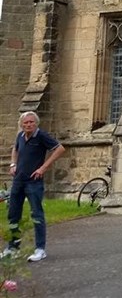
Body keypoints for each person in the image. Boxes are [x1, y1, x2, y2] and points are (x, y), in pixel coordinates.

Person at [3, 111, 65, 262]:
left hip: (33, 182)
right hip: (18, 181)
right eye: (26, 122)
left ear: (36, 123)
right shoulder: (20, 136)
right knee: (13, 215)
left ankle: (40, 249)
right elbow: (15, 149)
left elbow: (60, 149)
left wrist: (43, 168)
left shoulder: (41, 136)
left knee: (37, 215)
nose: (29, 124)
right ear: (21, 124)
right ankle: (13, 248)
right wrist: (13, 164)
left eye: (31, 122)